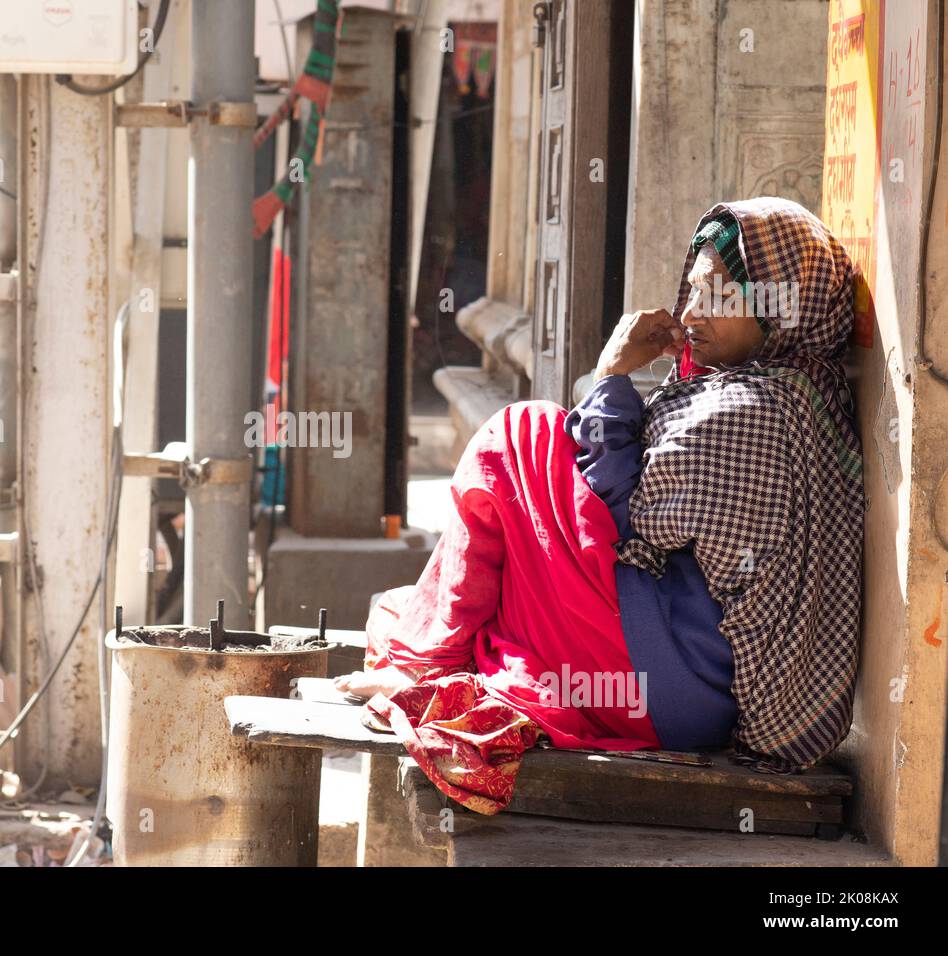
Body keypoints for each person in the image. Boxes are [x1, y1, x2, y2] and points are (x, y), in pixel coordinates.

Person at [335, 197, 864, 814]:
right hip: (690, 688)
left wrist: (612, 373)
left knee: (518, 437)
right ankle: (435, 651)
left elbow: (619, 520)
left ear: (784, 305)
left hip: (668, 683)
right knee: (518, 508)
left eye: (720, 296)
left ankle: (428, 663)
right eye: (692, 291)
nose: (693, 313)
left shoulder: (753, 413)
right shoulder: (801, 390)